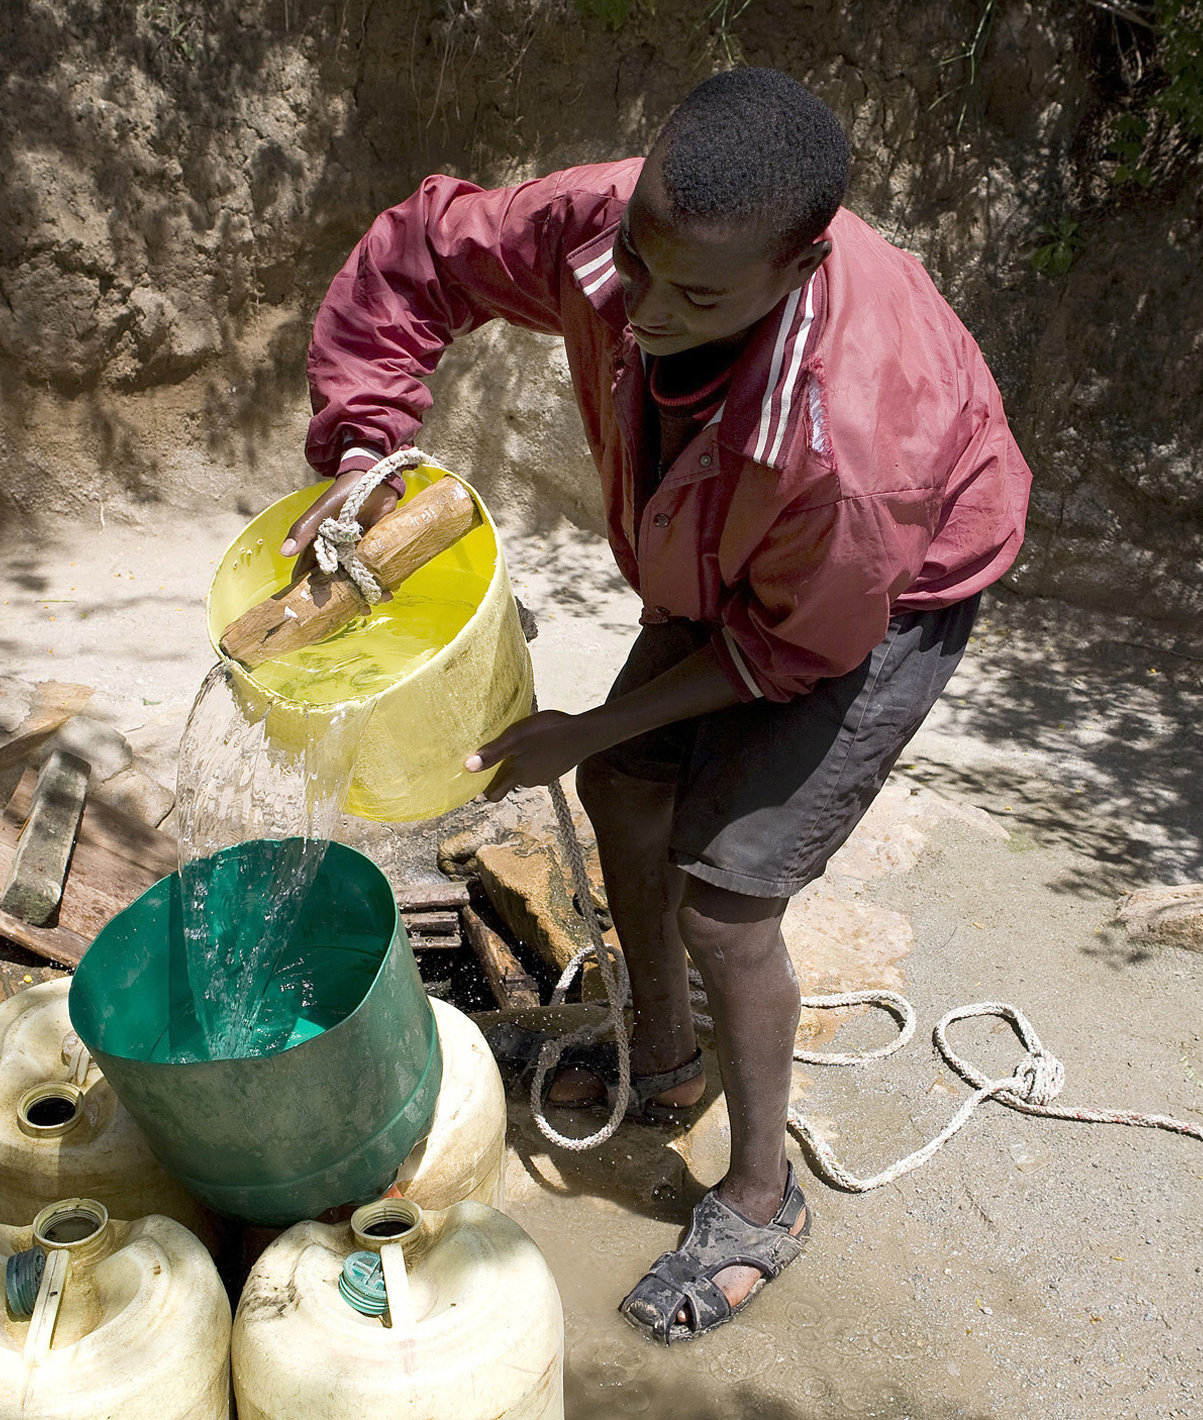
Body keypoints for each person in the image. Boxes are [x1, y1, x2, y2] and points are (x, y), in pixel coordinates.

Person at [286, 67, 1030, 1342]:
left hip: (872, 592)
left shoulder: (853, 447)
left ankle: (757, 1199)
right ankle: (663, 1057)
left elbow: (786, 655)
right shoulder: (615, 228)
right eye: (639, 264)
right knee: (623, 787)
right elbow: (420, 257)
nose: (643, 312)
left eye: (694, 296)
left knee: (734, 896)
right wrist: (364, 454)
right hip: (721, 533)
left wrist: (583, 719)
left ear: (797, 271)